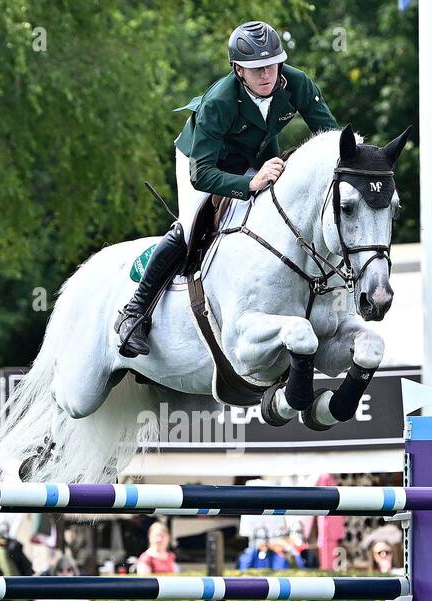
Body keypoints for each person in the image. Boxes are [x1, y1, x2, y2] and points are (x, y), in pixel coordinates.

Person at [115, 20, 340, 358]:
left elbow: (332, 142)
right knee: (191, 228)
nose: (266, 74)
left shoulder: (297, 84)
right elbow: (202, 174)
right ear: (238, 69)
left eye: (271, 64)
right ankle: (134, 312)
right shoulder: (219, 101)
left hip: (257, 155)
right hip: (204, 161)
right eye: (255, 69)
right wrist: (249, 183)